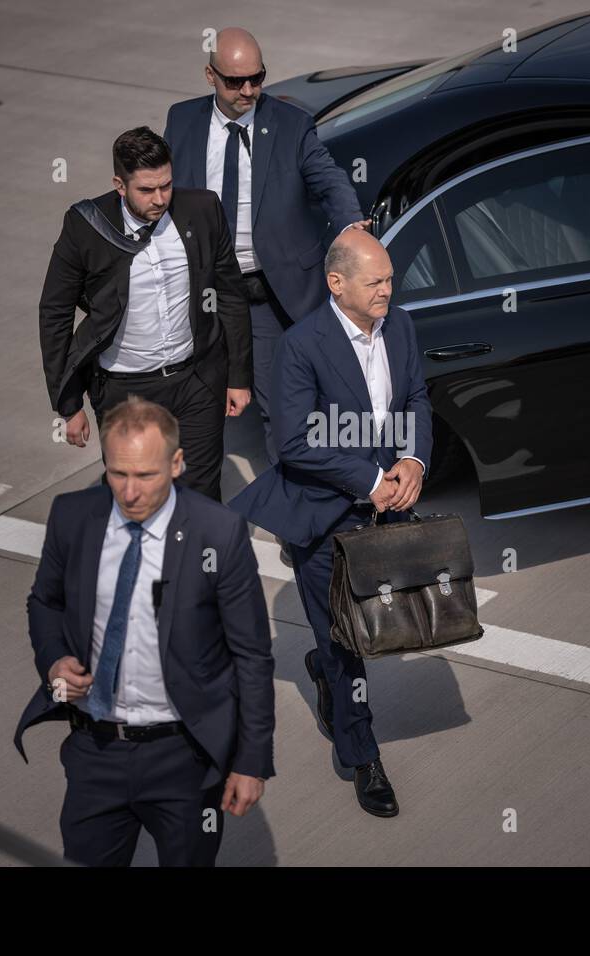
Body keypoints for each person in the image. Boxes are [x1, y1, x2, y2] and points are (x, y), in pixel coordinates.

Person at [15, 396, 275, 865]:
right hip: (96, 751)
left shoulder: (218, 533)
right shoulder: (72, 517)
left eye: (145, 476)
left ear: (176, 463)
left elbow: (252, 655)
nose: (129, 492)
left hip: (185, 759)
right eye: (118, 473)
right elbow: (44, 602)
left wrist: (250, 761)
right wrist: (53, 659)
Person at [230, 229, 431, 817]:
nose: (388, 291)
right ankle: (363, 754)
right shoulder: (301, 345)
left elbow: (417, 396)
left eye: (391, 278)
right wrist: (370, 480)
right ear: (336, 283)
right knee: (344, 642)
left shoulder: (401, 326)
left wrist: (413, 460)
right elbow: (293, 442)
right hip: (323, 515)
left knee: (383, 624)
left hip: (389, 502)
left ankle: (323, 675)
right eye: (376, 282)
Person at [163, 27, 368, 471]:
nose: (249, 90)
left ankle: (292, 514)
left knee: (284, 410)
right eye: (236, 81)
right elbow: (163, 192)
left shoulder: (291, 125)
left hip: (270, 294)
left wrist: (351, 223)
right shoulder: (181, 121)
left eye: (257, 78)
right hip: (205, 291)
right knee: (194, 407)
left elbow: (328, 178)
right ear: (209, 76)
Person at [38, 126, 251, 500]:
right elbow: (54, 312)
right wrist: (68, 403)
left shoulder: (202, 210)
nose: (160, 198)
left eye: (166, 185)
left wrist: (238, 376)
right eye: (147, 190)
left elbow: (231, 294)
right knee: (138, 495)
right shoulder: (85, 226)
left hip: (197, 381)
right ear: (120, 185)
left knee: (200, 492)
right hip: (125, 389)